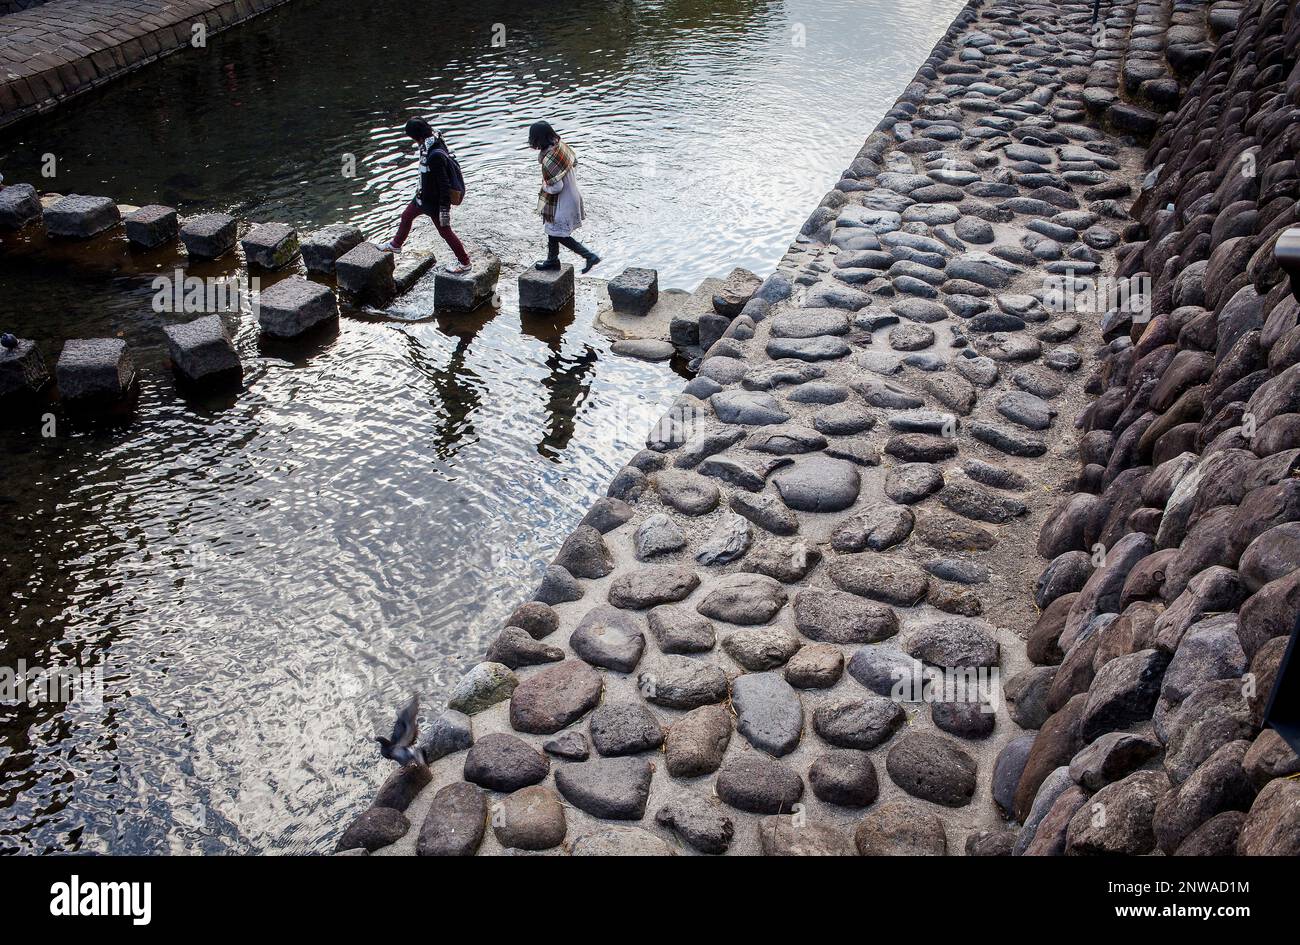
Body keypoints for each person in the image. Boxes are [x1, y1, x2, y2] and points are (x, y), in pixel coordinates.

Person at [379, 118, 471, 274]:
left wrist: (444, 210)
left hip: (434, 202)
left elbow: (444, 186)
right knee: (406, 216)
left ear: (417, 136)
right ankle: (395, 245)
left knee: (445, 232)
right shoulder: (432, 141)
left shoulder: (435, 155)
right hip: (422, 197)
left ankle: (465, 262)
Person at [528, 121, 600, 273]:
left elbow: (556, 187)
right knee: (552, 231)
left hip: (562, 202)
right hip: (573, 194)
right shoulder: (561, 146)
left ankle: (589, 256)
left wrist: (544, 186)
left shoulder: (548, 160)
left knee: (559, 234)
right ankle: (552, 260)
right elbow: (575, 163)